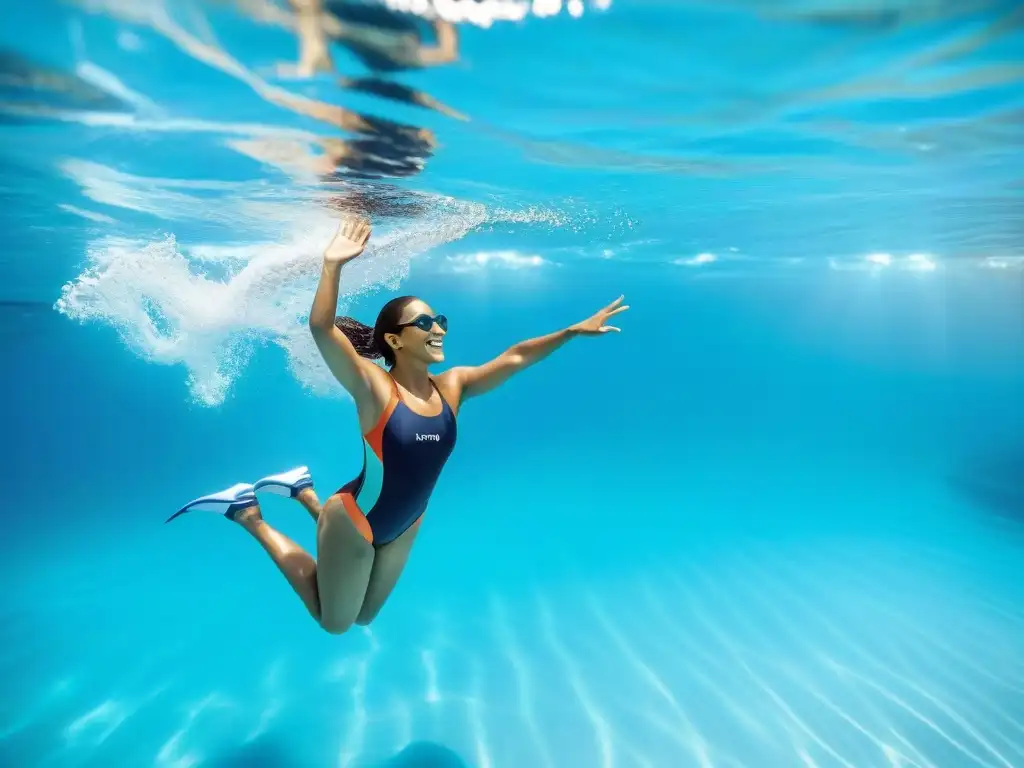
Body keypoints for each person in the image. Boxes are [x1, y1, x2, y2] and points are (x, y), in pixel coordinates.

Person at [168, 217, 629, 635]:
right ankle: (247, 512)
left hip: (406, 522)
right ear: (394, 340)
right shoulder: (374, 388)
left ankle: (303, 491)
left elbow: (515, 356)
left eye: (440, 319)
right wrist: (332, 266)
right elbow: (322, 329)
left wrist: (570, 332)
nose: (439, 328)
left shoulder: (453, 386)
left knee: (365, 615)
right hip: (356, 519)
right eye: (425, 321)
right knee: (335, 621)